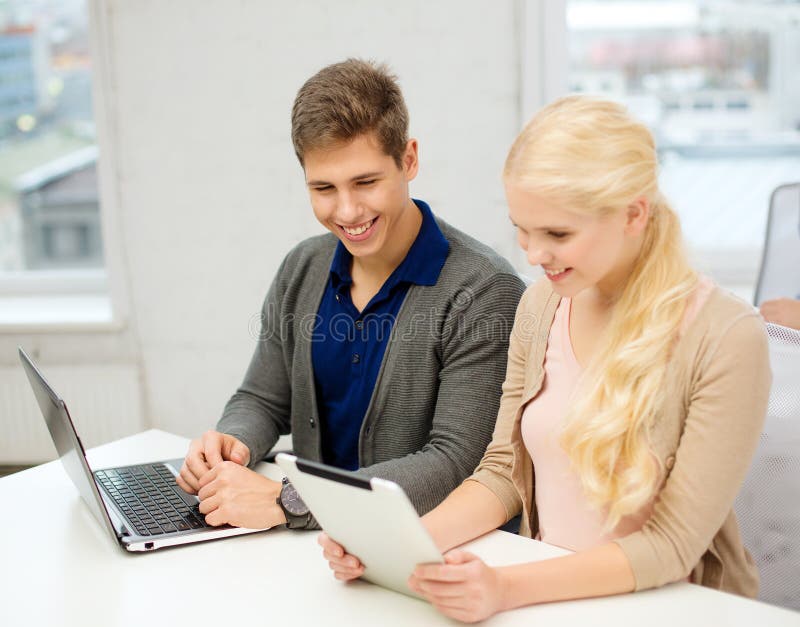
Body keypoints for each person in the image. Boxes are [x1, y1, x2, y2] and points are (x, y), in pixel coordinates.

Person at [320, 95, 771, 622]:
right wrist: (401, 546)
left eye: (557, 234)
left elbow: (671, 545)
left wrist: (505, 588)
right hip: (551, 596)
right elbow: (505, 471)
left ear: (633, 213)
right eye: (523, 229)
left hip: (668, 608)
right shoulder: (542, 304)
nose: (533, 254)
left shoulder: (726, 336)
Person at [175, 59, 525, 531]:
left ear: (409, 159)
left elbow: (456, 462)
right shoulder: (303, 267)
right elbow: (261, 398)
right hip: (318, 543)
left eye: (365, 182)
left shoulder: (483, 290)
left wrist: (292, 501)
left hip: (424, 549)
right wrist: (232, 444)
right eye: (323, 188)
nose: (347, 211)